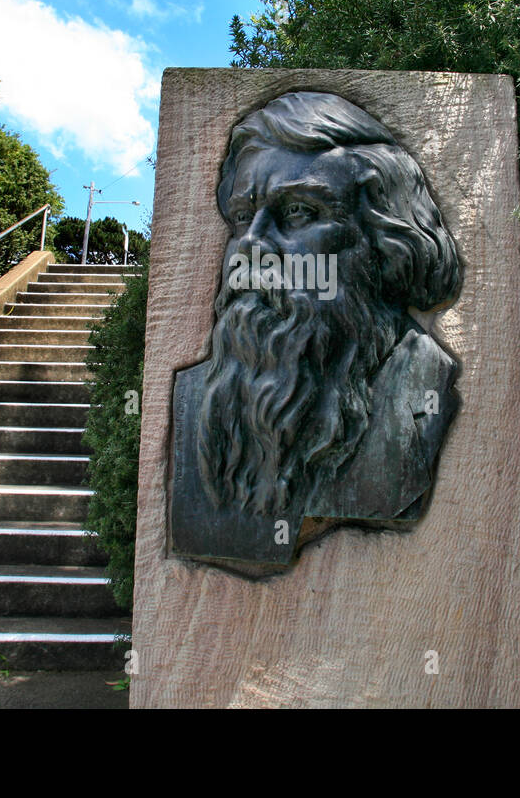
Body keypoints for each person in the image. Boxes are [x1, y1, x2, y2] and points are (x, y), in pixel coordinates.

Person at [170, 91, 463, 568]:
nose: (251, 244)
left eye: (298, 212)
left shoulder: (427, 387)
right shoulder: (191, 396)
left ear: (385, 241)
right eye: (242, 218)